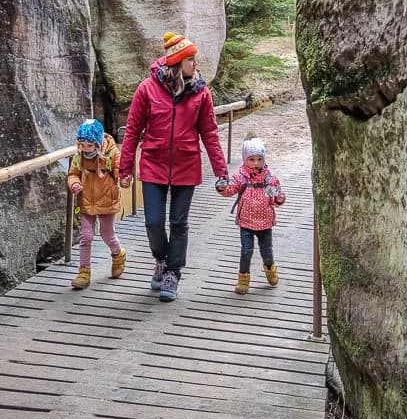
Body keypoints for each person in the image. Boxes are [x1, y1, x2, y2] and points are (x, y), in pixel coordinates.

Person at [119, 31, 229, 302]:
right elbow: (132, 130)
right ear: (178, 61)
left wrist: (221, 173)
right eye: (192, 59)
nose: (196, 64)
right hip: (154, 163)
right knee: (153, 221)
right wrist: (124, 170)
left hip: (186, 165)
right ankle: (161, 259)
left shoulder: (201, 93)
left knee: (179, 222)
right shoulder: (147, 89)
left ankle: (172, 273)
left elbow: (211, 134)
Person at [222, 134, 285, 294]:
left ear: (263, 159)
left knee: (266, 252)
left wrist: (279, 197)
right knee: (246, 251)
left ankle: (270, 268)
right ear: (245, 159)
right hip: (246, 221)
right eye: (251, 159)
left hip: (265, 222)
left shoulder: (269, 179)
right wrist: (222, 187)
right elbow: (230, 190)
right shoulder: (240, 176)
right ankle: (243, 278)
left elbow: (275, 200)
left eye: (259, 159)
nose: (256, 163)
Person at [67, 118, 126, 289]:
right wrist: (74, 183)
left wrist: (123, 179)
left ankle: (118, 254)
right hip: (85, 200)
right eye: (82, 145)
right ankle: (84, 272)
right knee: (86, 236)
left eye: (89, 146)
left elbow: (120, 171)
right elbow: (73, 174)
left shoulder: (112, 154)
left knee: (107, 234)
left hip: (106, 198)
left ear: (98, 143)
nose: (86, 149)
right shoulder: (79, 156)